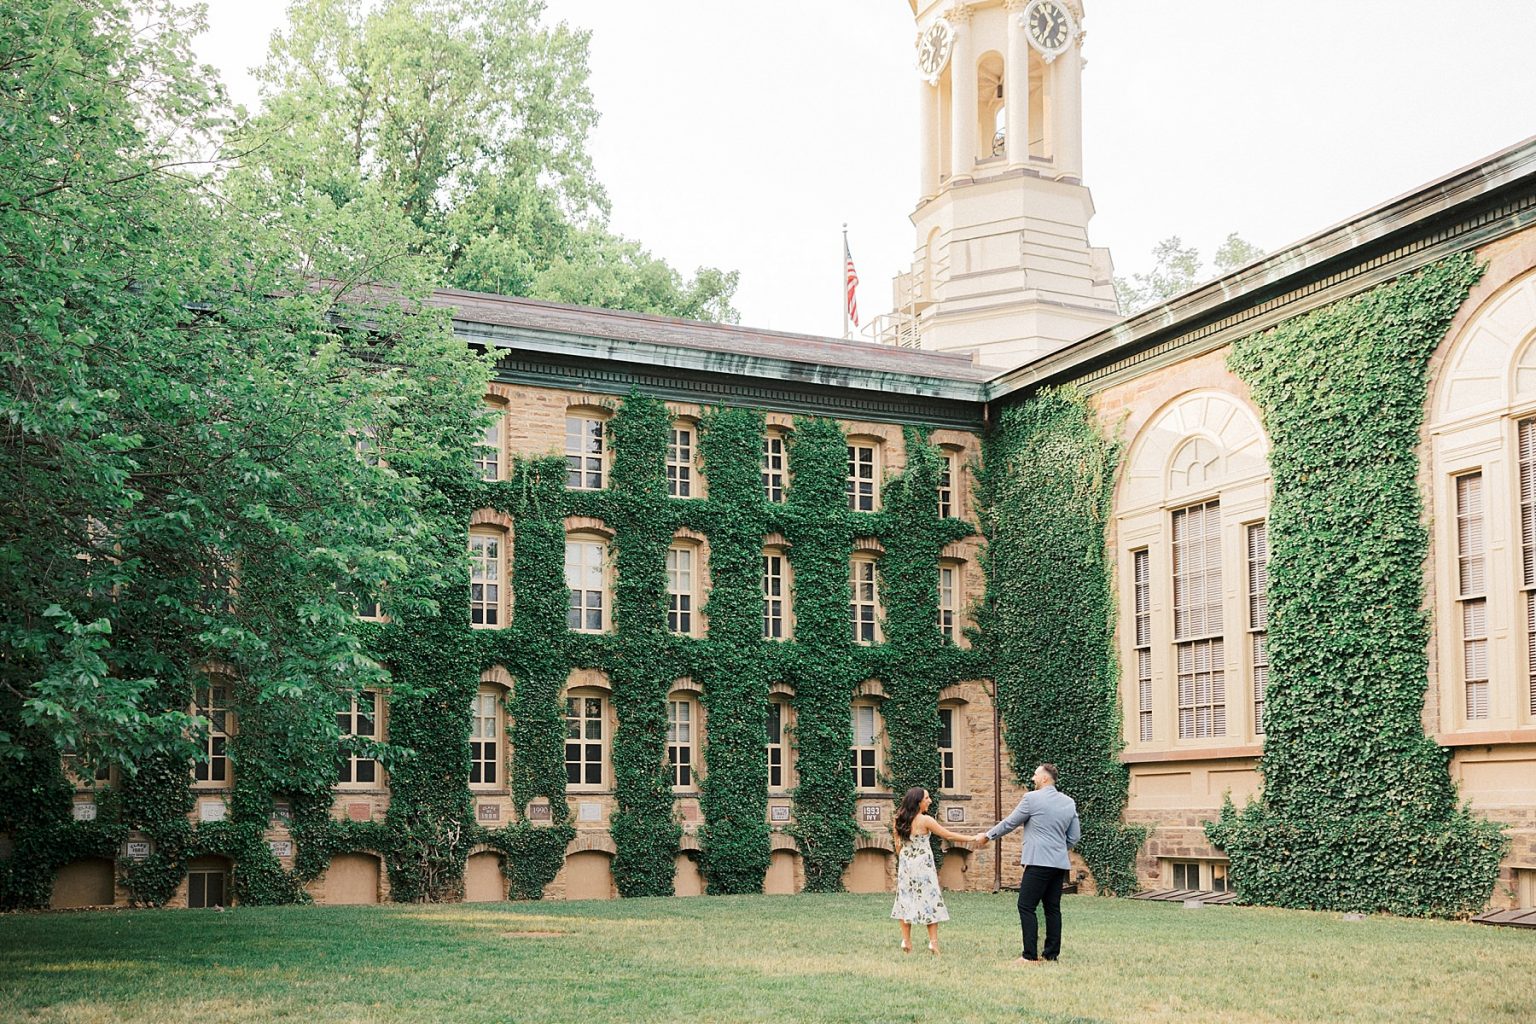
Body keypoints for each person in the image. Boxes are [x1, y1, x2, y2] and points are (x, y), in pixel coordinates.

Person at [980, 763, 1081, 964]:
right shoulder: (1069, 802)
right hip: (1059, 864)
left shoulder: (1031, 799)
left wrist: (988, 835)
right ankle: (1051, 955)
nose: (1032, 778)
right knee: (1052, 908)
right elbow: (1074, 837)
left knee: (1026, 905)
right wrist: (1059, 849)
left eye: (1035, 775)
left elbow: (1010, 823)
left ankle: (1029, 955)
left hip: (1038, 862)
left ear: (1045, 778)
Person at [890, 786, 982, 956]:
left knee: (904, 899)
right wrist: (972, 838)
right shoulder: (925, 820)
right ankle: (933, 943)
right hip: (923, 864)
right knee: (930, 900)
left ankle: (906, 940)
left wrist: (905, 859)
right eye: (927, 798)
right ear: (918, 802)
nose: (930, 801)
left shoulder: (898, 819)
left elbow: (897, 846)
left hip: (906, 863)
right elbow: (948, 835)